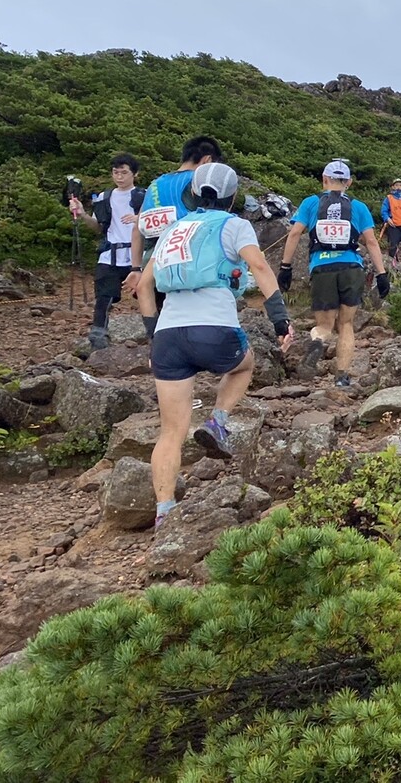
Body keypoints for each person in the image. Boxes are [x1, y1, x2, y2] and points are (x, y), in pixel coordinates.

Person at [136, 163, 292, 528]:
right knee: (244, 365)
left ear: (193, 194)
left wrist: (153, 337)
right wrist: (280, 320)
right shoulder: (234, 225)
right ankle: (218, 421)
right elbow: (259, 268)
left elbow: (143, 287)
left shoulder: (173, 228)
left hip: (168, 335)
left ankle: (164, 511)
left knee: (170, 432)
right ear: (232, 197)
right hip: (214, 327)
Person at [279, 160, 390, 389]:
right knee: (346, 323)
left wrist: (285, 267)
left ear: (324, 179)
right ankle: (341, 377)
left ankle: (318, 340)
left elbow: (295, 234)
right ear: (349, 182)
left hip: (322, 267)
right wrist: (381, 274)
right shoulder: (358, 207)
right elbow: (371, 241)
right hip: (351, 268)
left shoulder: (311, 203)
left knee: (325, 325)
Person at [124, 135, 224, 299]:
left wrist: (136, 269)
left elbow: (137, 228)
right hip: (188, 268)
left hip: (152, 267)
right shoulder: (197, 182)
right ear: (207, 160)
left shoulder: (155, 184)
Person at [69, 154, 145, 349]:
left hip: (138, 255)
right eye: (115, 172)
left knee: (147, 294)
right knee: (103, 297)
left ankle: (157, 332)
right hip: (109, 254)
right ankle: (98, 336)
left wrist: (139, 219)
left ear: (135, 174)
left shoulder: (145, 196)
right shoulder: (104, 197)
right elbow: (98, 227)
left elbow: (157, 224)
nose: (119, 176)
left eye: (124, 172)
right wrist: (82, 214)